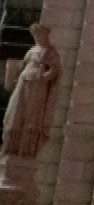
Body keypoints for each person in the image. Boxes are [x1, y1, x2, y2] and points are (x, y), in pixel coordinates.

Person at [3, 24, 60, 159]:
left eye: (39, 34)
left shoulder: (50, 51)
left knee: (32, 114)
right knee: (16, 111)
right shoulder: (31, 50)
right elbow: (22, 66)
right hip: (24, 81)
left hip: (37, 85)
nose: (37, 37)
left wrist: (42, 78)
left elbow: (55, 69)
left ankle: (26, 147)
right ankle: (12, 146)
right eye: (35, 35)